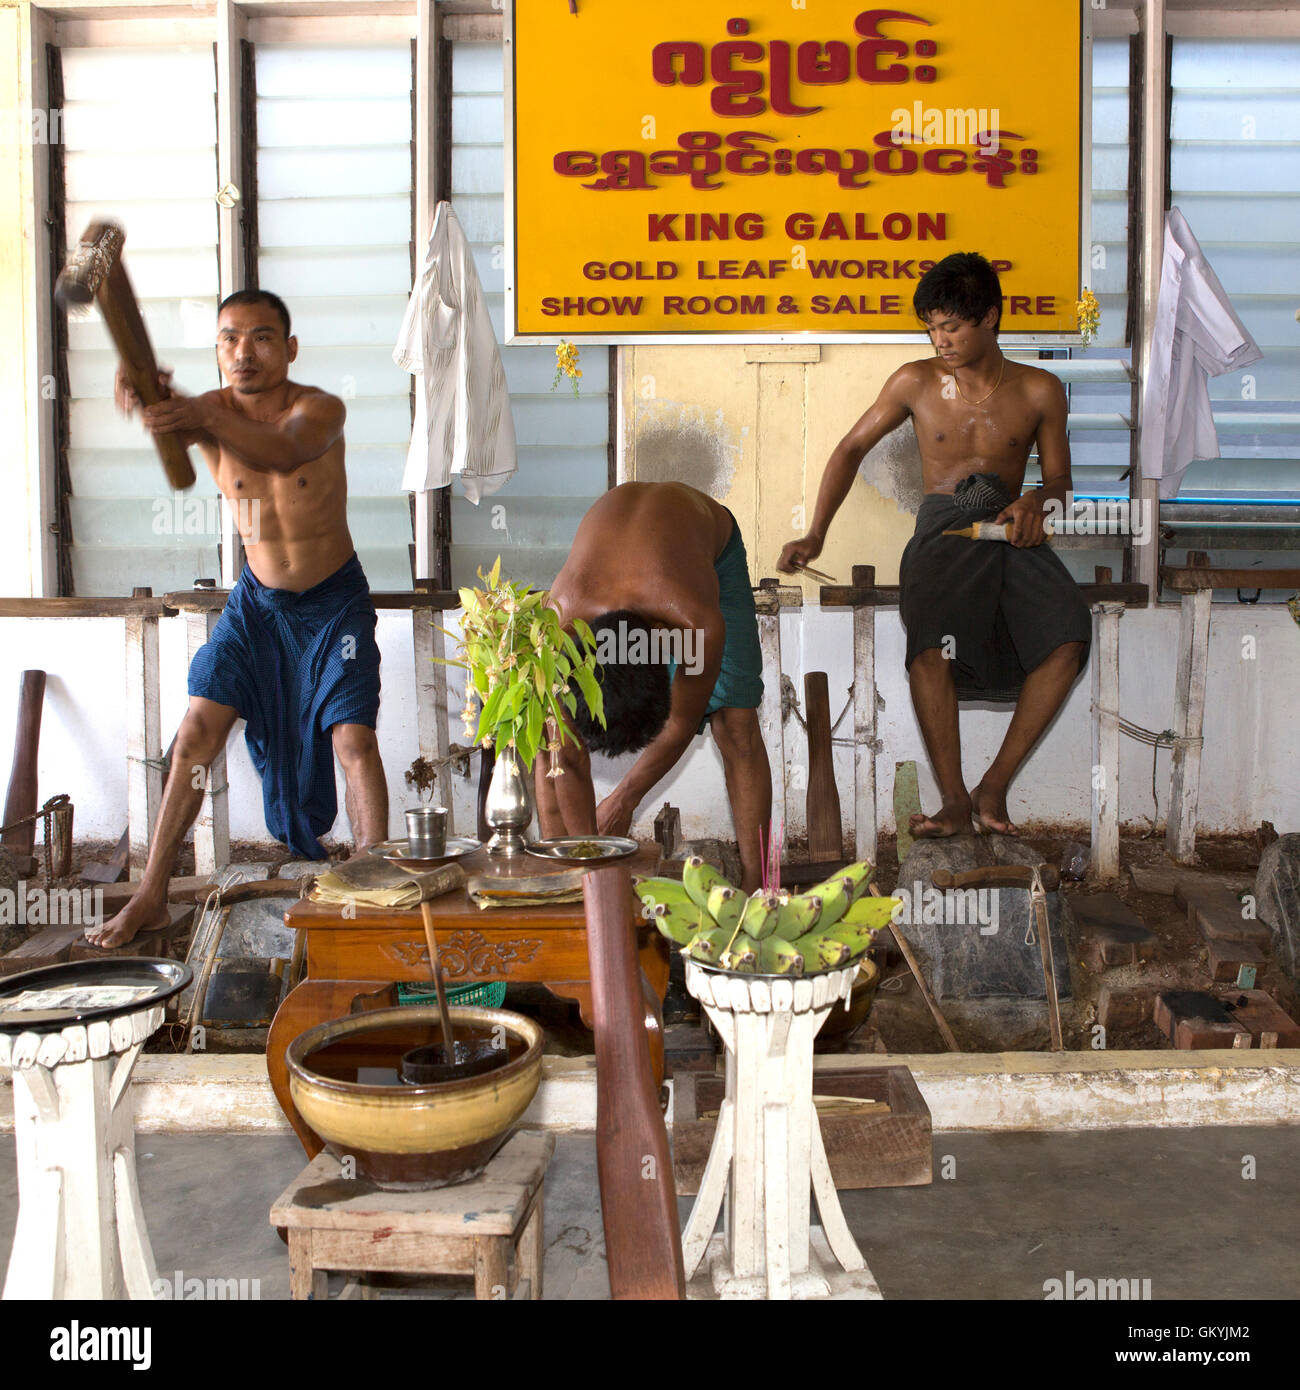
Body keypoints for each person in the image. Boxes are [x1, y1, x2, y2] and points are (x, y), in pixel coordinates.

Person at [88, 290, 388, 947]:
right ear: (217, 349)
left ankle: (371, 890)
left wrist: (191, 411)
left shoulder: (320, 410)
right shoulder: (210, 413)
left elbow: (281, 452)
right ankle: (152, 894)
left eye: (260, 337)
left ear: (290, 347)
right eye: (228, 339)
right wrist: (146, 399)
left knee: (352, 741)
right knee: (195, 730)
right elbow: (171, 425)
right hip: (257, 603)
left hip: (333, 599)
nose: (242, 352)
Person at [778, 251, 1090, 838]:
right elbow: (849, 449)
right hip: (945, 528)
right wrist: (815, 533)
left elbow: (1060, 483)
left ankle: (992, 786)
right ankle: (952, 800)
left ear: (991, 317)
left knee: (1069, 637)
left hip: (1011, 531)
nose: (939, 338)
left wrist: (1035, 503)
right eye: (931, 326)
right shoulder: (914, 381)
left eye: (952, 326)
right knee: (930, 650)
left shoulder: (1041, 389)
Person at [535, 482, 771, 891]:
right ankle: (577, 885)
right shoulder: (559, 624)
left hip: (709, 541)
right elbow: (561, 758)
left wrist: (624, 798)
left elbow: (682, 719)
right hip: (628, 537)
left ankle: (760, 887)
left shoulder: (697, 624)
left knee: (735, 724)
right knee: (550, 741)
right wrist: (589, 864)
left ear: (664, 655)